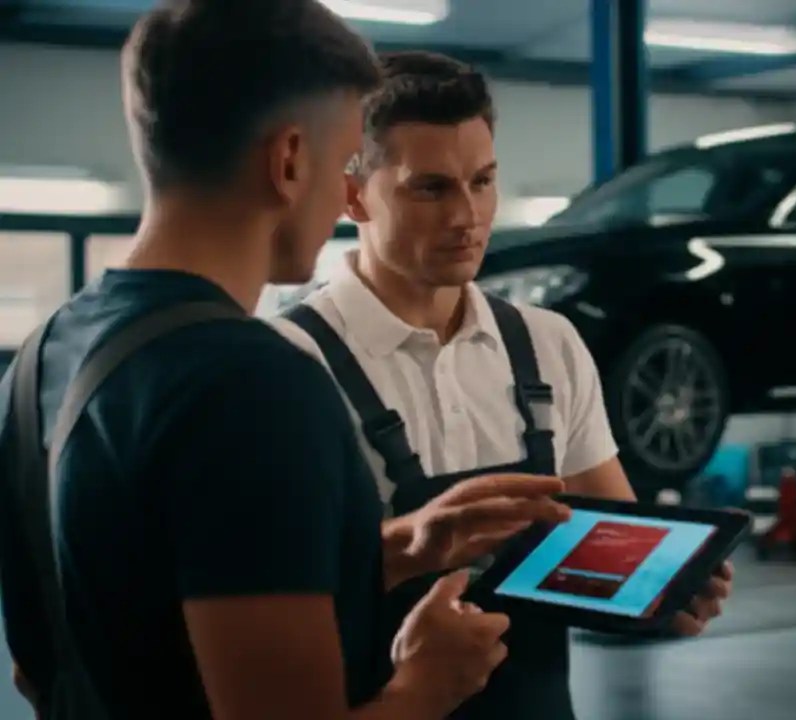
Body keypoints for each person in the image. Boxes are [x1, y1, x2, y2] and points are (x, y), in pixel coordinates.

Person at [0, 2, 566, 718]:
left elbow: (48, 660)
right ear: (290, 159)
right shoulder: (254, 385)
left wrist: (393, 549)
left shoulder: (43, 358)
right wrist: (426, 684)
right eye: (340, 164)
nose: (341, 197)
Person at [270, 51, 734, 719]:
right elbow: (270, 602)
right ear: (352, 195)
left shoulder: (550, 345)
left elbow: (613, 560)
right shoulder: (288, 364)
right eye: (430, 188)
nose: (468, 214)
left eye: (482, 181)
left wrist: (666, 596)